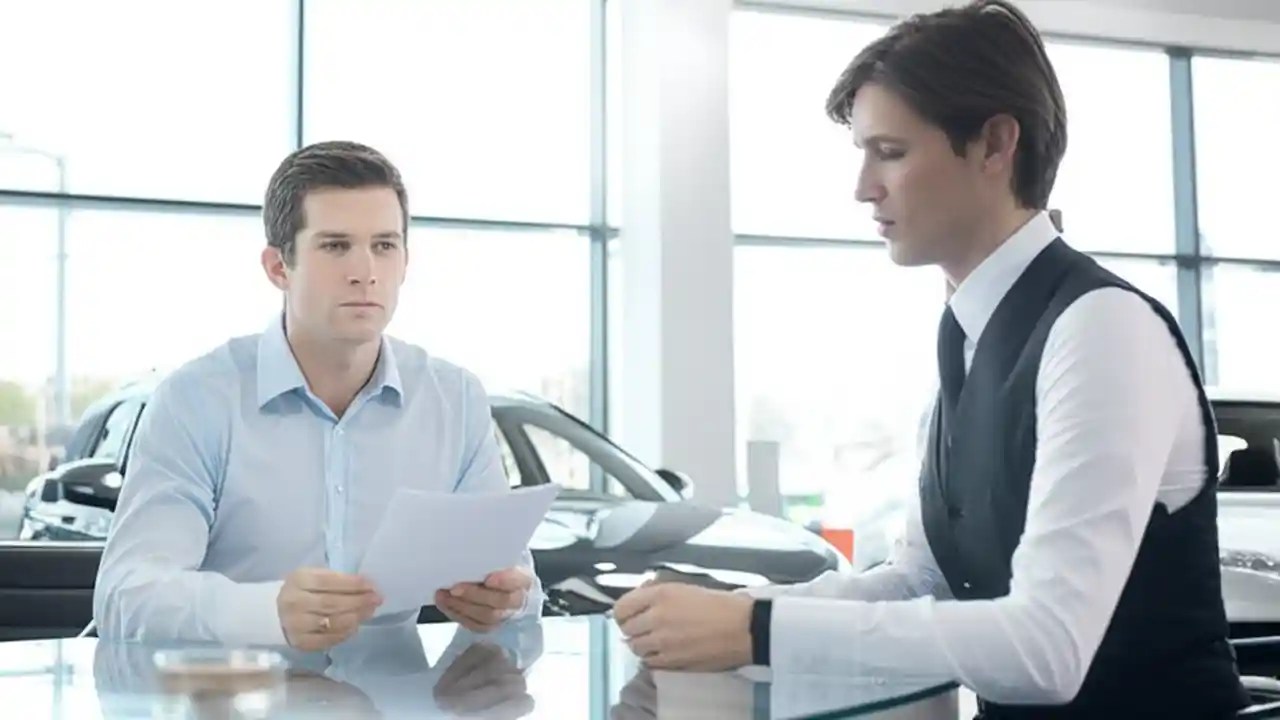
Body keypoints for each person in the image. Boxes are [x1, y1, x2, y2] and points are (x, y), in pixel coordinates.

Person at [612, 2, 1248, 717]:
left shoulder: (1100, 328)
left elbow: (1047, 648)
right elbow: (922, 580)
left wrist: (759, 630)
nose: (863, 187)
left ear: (994, 145)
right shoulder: (969, 338)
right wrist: (735, 608)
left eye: (890, 151)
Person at [93, 141, 541, 652]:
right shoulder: (198, 400)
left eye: (384, 246)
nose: (365, 271)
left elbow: (520, 583)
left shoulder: (454, 399)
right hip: (238, 702)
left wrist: (506, 600)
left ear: (405, 262)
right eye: (335, 246)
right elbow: (127, 595)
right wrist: (268, 611)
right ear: (278, 267)